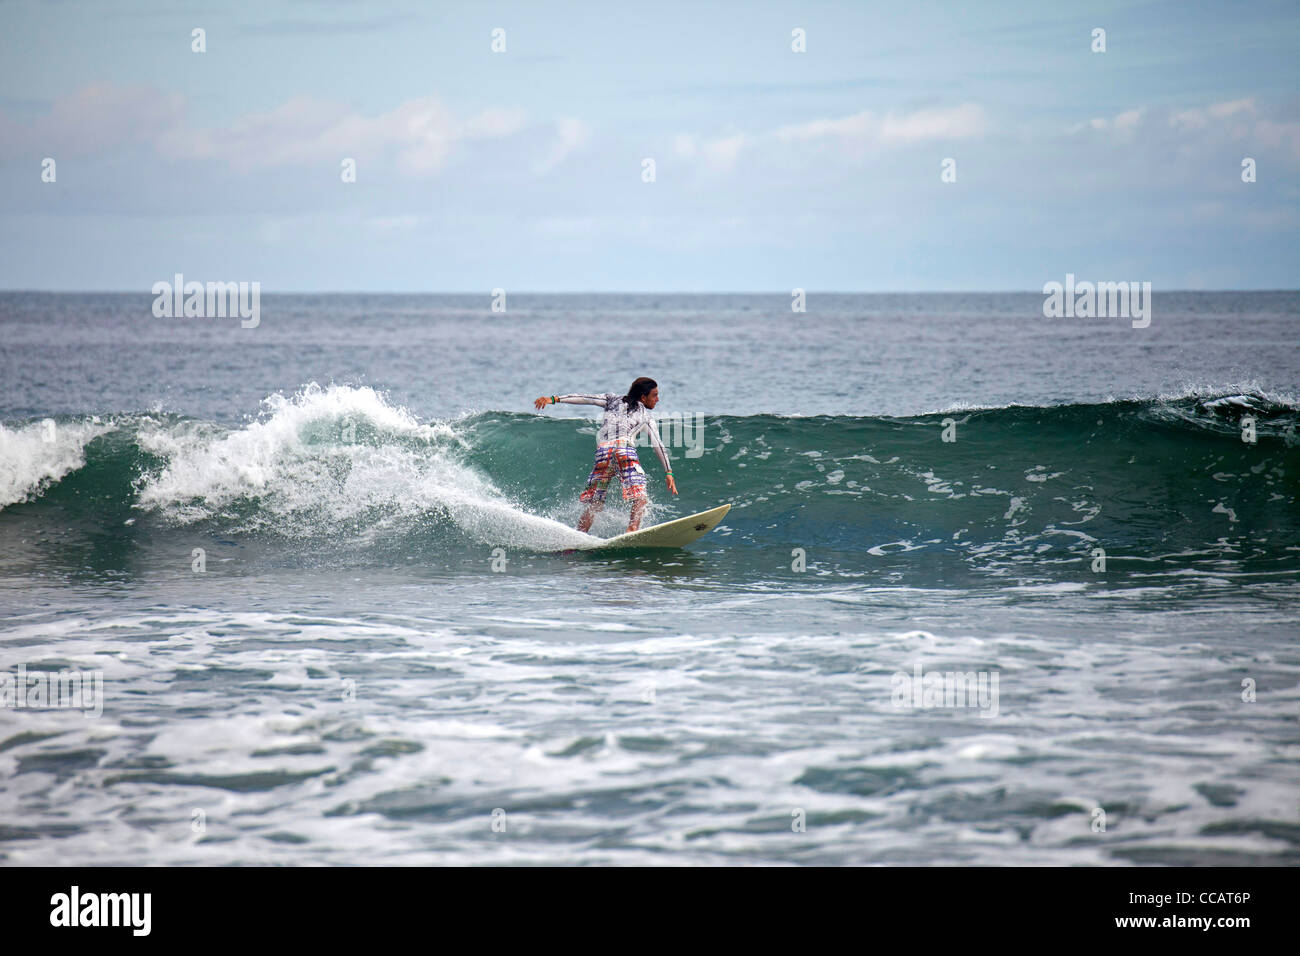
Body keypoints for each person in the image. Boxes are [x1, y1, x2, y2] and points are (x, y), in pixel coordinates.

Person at [533, 377, 677, 533]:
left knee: (595, 503)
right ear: (643, 397)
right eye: (654, 395)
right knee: (640, 497)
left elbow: (584, 398)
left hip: (603, 452)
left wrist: (553, 399)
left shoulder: (612, 399)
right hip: (624, 450)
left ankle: (578, 537)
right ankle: (632, 529)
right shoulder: (646, 416)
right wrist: (668, 472)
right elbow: (658, 445)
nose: (658, 399)